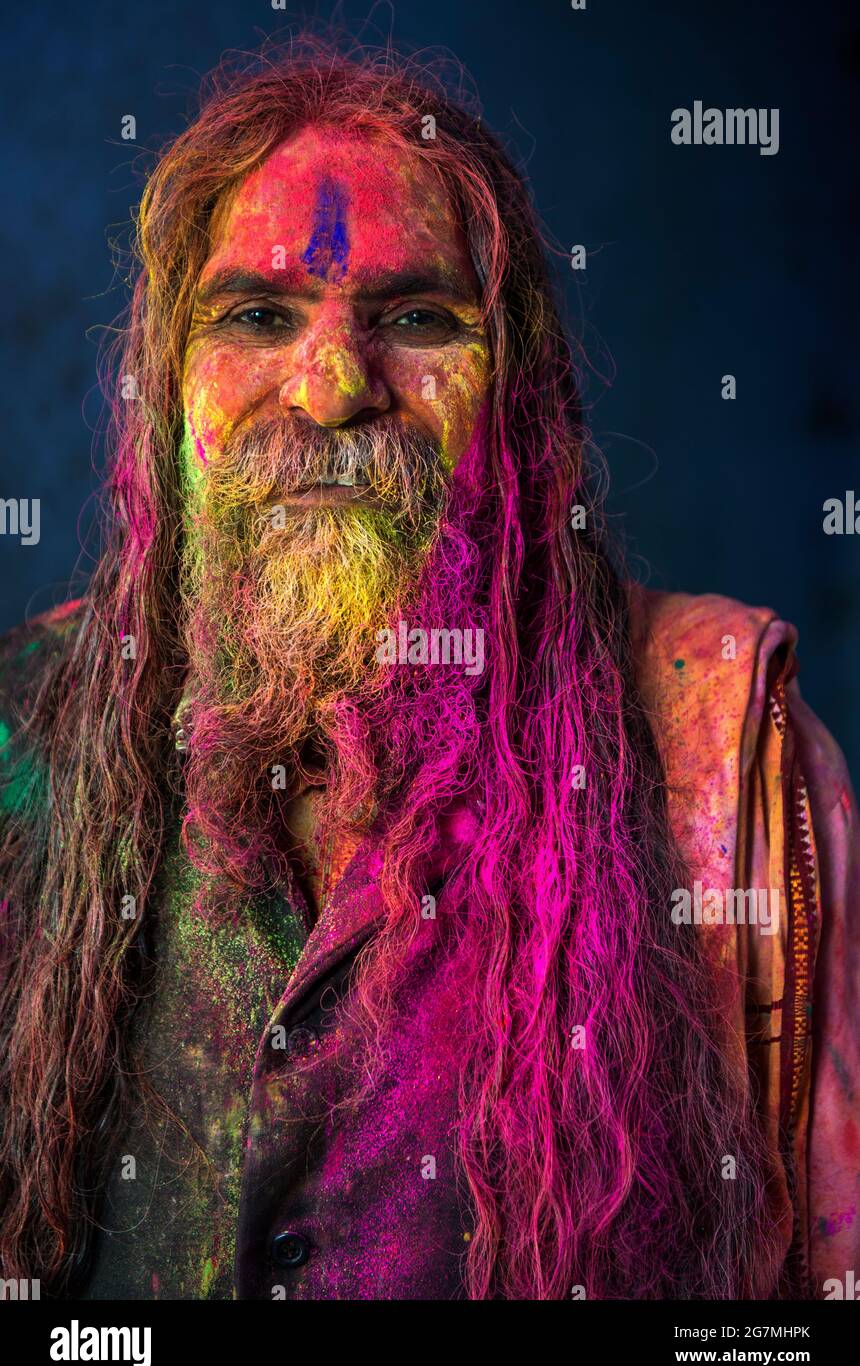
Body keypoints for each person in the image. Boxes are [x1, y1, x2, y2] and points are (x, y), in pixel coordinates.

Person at [1, 38, 857, 1302]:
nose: (336, 389)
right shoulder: (26, 733)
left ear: (513, 392)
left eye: (414, 319)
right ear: (166, 384)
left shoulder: (721, 750)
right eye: (257, 315)